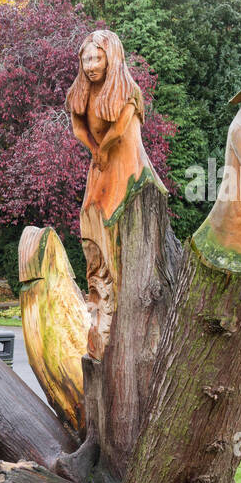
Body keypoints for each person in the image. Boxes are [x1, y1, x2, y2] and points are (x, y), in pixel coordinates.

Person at [65, 30, 163, 358]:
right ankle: (99, 301)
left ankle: (117, 310)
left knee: (110, 219)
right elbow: (79, 125)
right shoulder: (81, 91)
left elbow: (121, 130)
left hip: (124, 166)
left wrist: (104, 149)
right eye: (86, 58)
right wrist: (94, 148)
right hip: (100, 165)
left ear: (111, 58)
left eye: (97, 58)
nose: (91, 64)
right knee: (90, 219)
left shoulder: (126, 90)